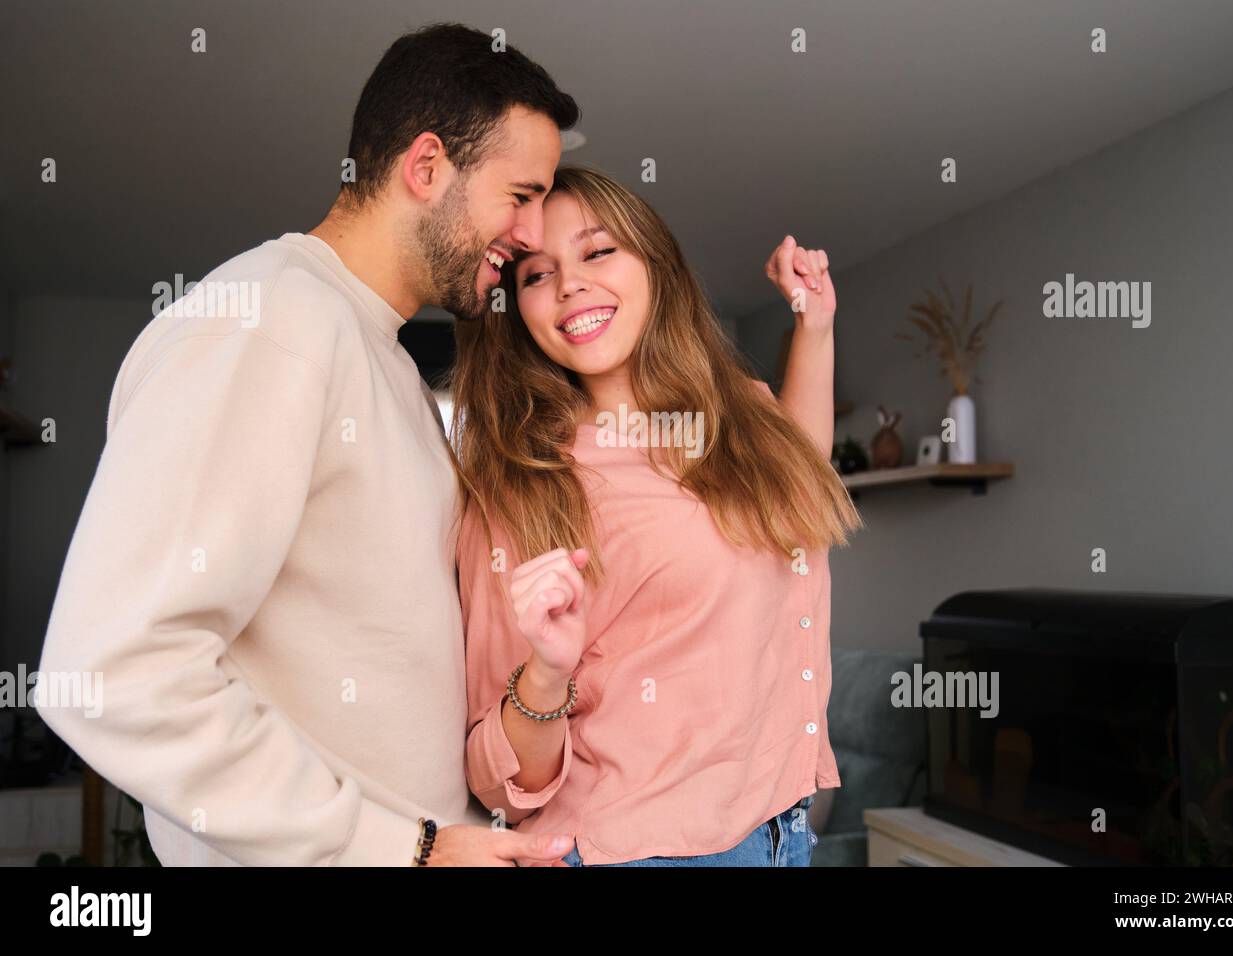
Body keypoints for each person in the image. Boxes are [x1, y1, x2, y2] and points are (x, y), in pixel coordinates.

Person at [35, 22, 580, 867]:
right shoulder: (271, 319)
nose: (536, 234)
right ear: (426, 167)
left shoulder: (383, 360)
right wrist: (410, 851)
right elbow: (113, 672)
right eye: (522, 194)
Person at [453, 165, 862, 866]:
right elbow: (497, 781)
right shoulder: (522, 489)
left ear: (656, 262)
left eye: (597, 250)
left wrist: (815, 325)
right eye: (536, 275)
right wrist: (546, 676)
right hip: (637, 850)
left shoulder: (741, 414)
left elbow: (795, 485)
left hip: (780, 830)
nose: (570, 284)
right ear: (518, 311)